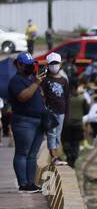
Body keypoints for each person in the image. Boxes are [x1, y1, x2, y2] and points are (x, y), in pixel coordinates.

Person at [7, 52, 47, 191]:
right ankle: (23, 183)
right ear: (19, 65)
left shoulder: (30, 79)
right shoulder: (16, 81)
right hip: (24, 121)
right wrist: (36, 83)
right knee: (22, 153)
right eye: (28, 65)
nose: (31, 67)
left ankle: (31, 182)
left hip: (37, 121)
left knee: (32, 155)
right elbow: (23, 97)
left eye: (32, 65)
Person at [40, 53, 69, 164]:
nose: (54, 66)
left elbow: (67, 98)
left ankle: (56, 155)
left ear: (60, 64)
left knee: (58, 134)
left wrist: (67, 114)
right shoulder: (45, 80)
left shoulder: (64, 81)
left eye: (56, 63)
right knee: (51, 133)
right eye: (52, 64)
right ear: (48, 65)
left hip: (61, 112)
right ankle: (54, 157)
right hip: (50, 111)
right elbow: (42, 95)